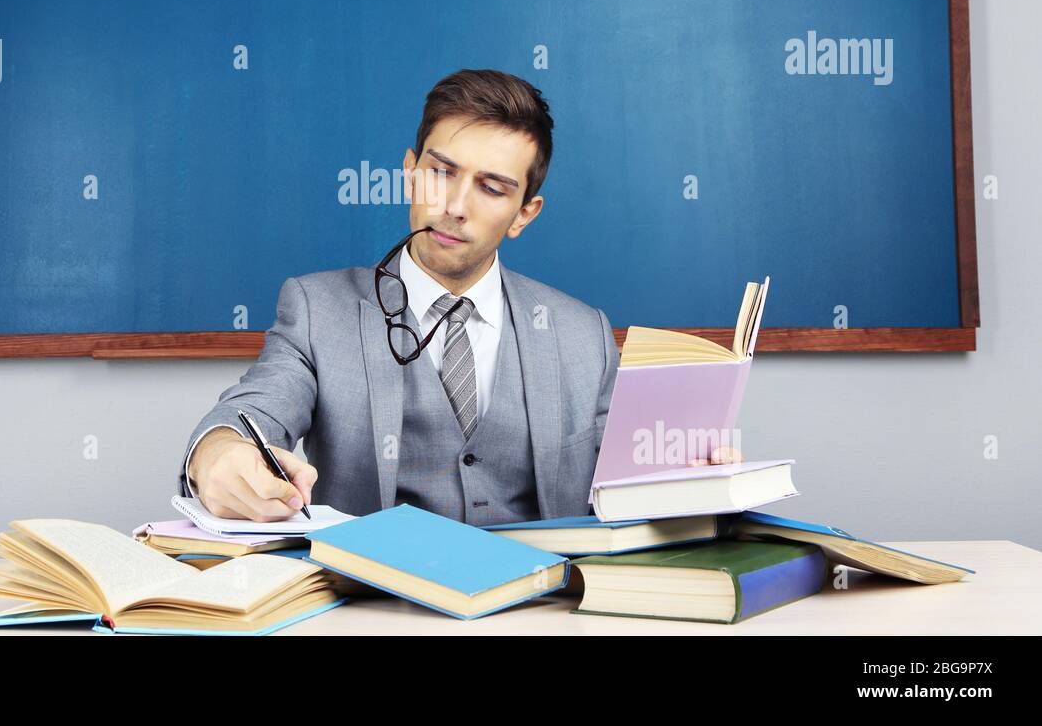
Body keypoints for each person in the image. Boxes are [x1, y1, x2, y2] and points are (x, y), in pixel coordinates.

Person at [179, 68, 736, 523]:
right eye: (441, 173)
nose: (455, 206)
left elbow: (626, 489)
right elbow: (251, 409)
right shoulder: (316, 309)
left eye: (492, 188)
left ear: (524, 214)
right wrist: (218, 455)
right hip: (374, 616)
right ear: (409, 173)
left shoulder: (582, 333)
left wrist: (685, 479)